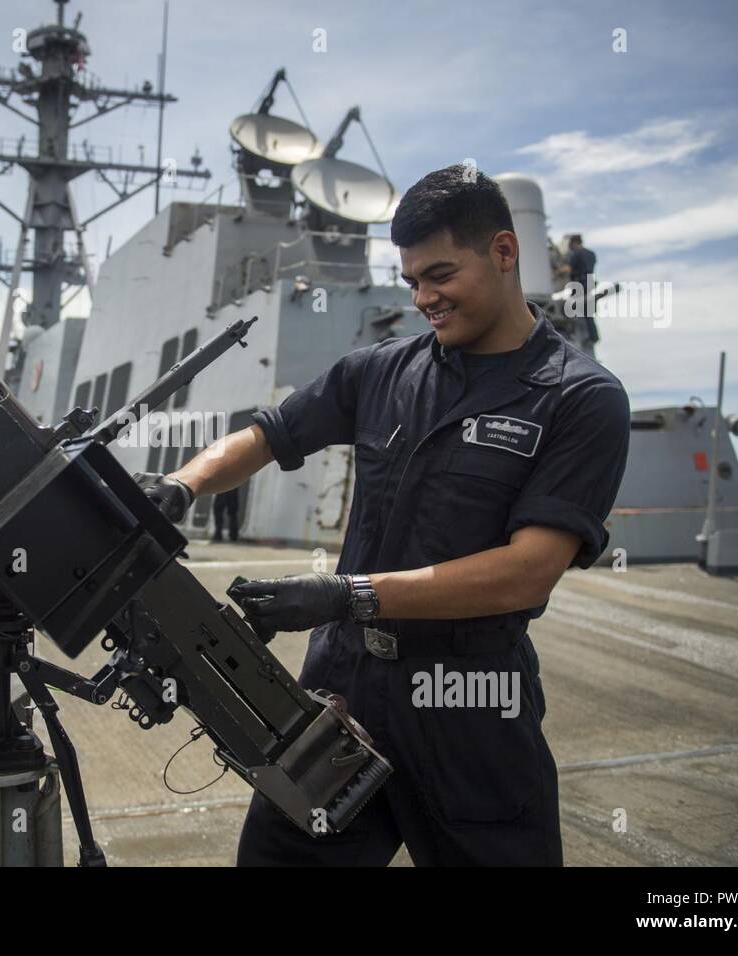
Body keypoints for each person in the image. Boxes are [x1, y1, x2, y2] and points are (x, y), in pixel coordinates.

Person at [135, 165, 630, 866]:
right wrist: (183, 485)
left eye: (441, 275)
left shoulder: (580, 398)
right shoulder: (379, 372)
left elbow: (527, 573)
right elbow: (268, 435)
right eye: (411, 283)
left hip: (471, 701)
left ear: (504, 252)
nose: (424, 298)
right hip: (341, 692)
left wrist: (347, 595)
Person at [557, 234, 599, 344]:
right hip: (590, 282)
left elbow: (568, 269)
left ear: (574, 243)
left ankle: (573, 336)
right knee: (588, 311)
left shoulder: (576, 254)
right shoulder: (591, 254)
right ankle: (593, 336)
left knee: (573, 309)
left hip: (579, 284)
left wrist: (557, 272)